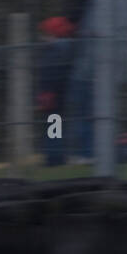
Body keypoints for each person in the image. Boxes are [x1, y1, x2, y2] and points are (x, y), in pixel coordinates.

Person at [65, 0, 127, 163]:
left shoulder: (120, 2)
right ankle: (84, 153)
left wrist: (120, 71)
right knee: (81, 113)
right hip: (82, 69)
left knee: (99, 115)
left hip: (104, 71)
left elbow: (122, 40)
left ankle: (94, 154)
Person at [36, 17, 74, 167]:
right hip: (61, 95)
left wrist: (47, 93)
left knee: (54, 128)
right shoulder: (67, 48)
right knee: (58, 127)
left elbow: (50, 73)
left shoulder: (53, 51)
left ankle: (54, 159)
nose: (43, 37)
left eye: (46, 33)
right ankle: (57, 157)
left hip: (53, 96)